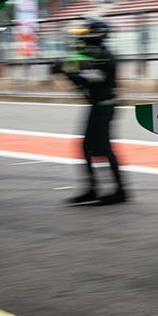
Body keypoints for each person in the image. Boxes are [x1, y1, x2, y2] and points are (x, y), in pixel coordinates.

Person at [51, 15, 127, 205]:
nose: (82, 36)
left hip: (104, 106)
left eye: (86, 32)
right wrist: (62, 68)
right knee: (87, 147)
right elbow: (74, 69)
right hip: (98, 105)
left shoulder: (103, 56)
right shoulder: (92, 54)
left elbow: (85, 77)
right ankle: (94, 188)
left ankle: (119, 191)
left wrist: (65, 70)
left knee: (104, 148)